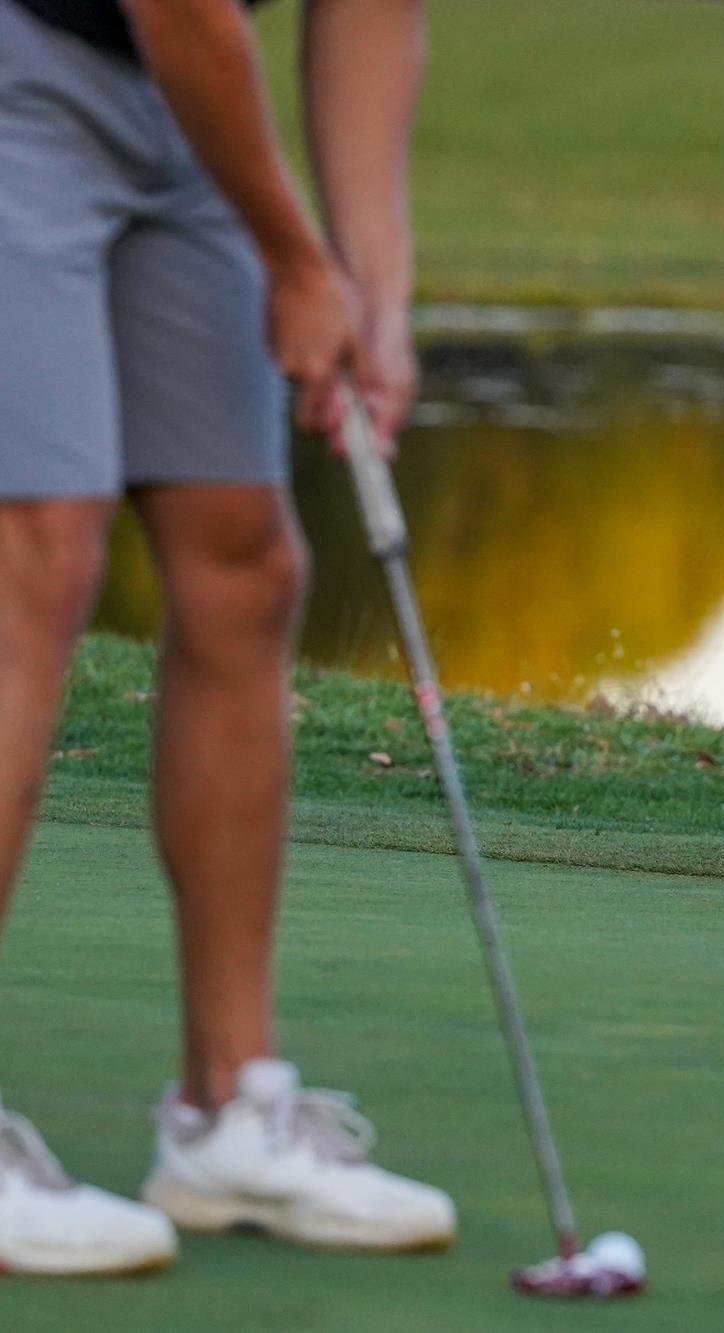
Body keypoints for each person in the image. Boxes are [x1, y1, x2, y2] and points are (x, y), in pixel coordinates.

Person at [0, 0, 450, 1276]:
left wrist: (373, 282)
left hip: (187, 110)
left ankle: (227, 1111)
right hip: (28, 59)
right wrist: (296, 261)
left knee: (243, 565)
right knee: (38, 546)